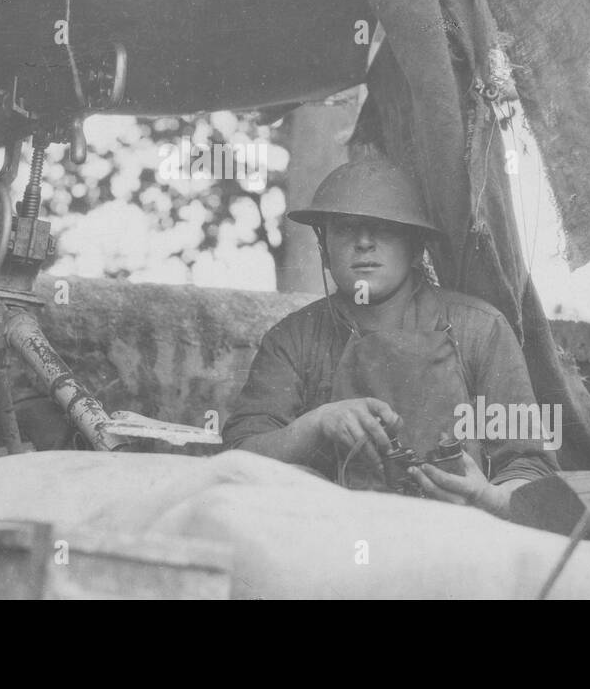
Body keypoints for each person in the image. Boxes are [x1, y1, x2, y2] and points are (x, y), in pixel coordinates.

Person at [222, 157, 556, 518]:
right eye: (346, 228)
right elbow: (237, 458)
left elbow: (529, 467)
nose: (364, 242)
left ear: (415, 247)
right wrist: (317, 424)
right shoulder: (294, 339)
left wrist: (490, 499)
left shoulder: (479, 329)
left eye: (383, 228)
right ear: (323, 248)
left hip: (460, 541)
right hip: (329, 541)